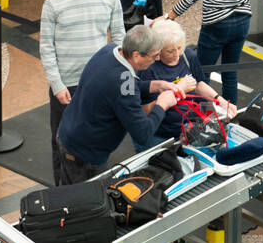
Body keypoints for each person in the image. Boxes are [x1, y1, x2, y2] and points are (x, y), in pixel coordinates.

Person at [39, 0, 125, 185]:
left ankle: (94, 189)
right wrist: (56, 84)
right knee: (61, 141)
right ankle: (62, 193)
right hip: (66, 85)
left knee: (97, 138)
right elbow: (46, 47)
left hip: (97, 84)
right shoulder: (53, 2)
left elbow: (119, 38)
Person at [54, 24, 181, 183]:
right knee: (85, 202)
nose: (157, 59)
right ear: (136, 55)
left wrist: (155, 85)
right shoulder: (124, 85)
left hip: (69, 131)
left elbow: (115, 87)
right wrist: (162, 104)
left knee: (66, 189)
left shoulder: (109, 51)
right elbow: (143, 133)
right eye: (154, 55)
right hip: (85, 152)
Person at [136, 21, 236, 147]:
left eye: (179, 47)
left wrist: (220, 100)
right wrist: (179, 88)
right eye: (170, 51)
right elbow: (146, 111)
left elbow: (198, 84)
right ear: (158, 50)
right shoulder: (148, 68)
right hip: (162, 136)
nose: (177, 54)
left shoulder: (188, 56)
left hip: (191, 129)